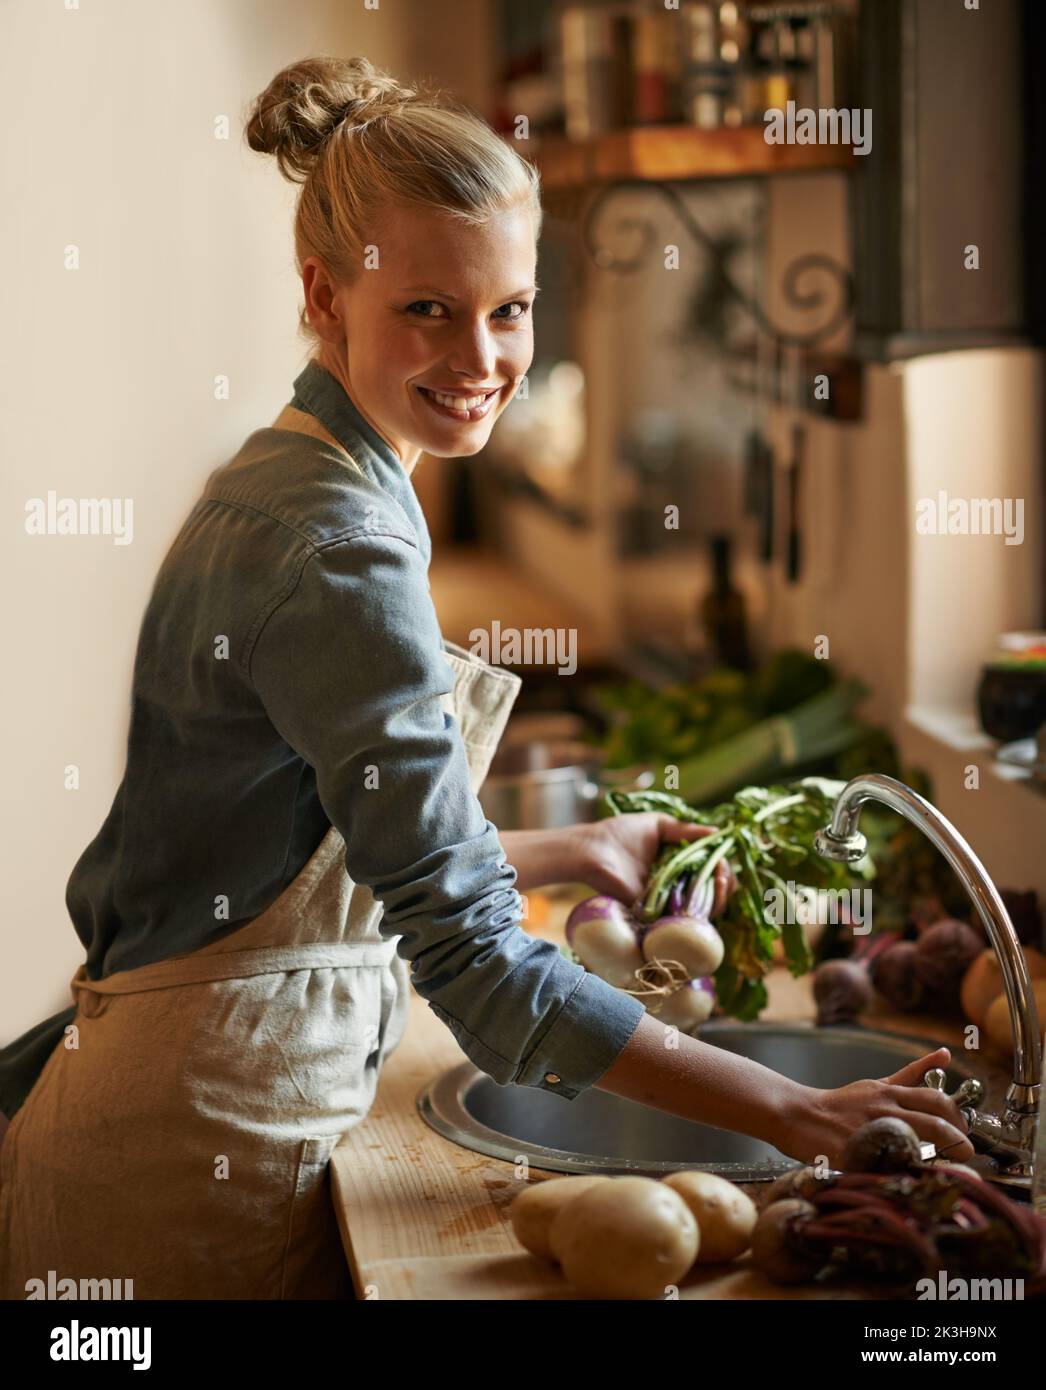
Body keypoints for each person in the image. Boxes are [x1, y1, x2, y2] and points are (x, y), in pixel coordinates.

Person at [0, 55, 971, 1301]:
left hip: (173, 1099)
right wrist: (800, 1112)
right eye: (426, 310)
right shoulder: (338, 545)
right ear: (323, 292)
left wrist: (570, 856)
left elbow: (307, 832)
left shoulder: (297, 474)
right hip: (184, 1168)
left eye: (509, 308)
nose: (481, 354)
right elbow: (471, 959)